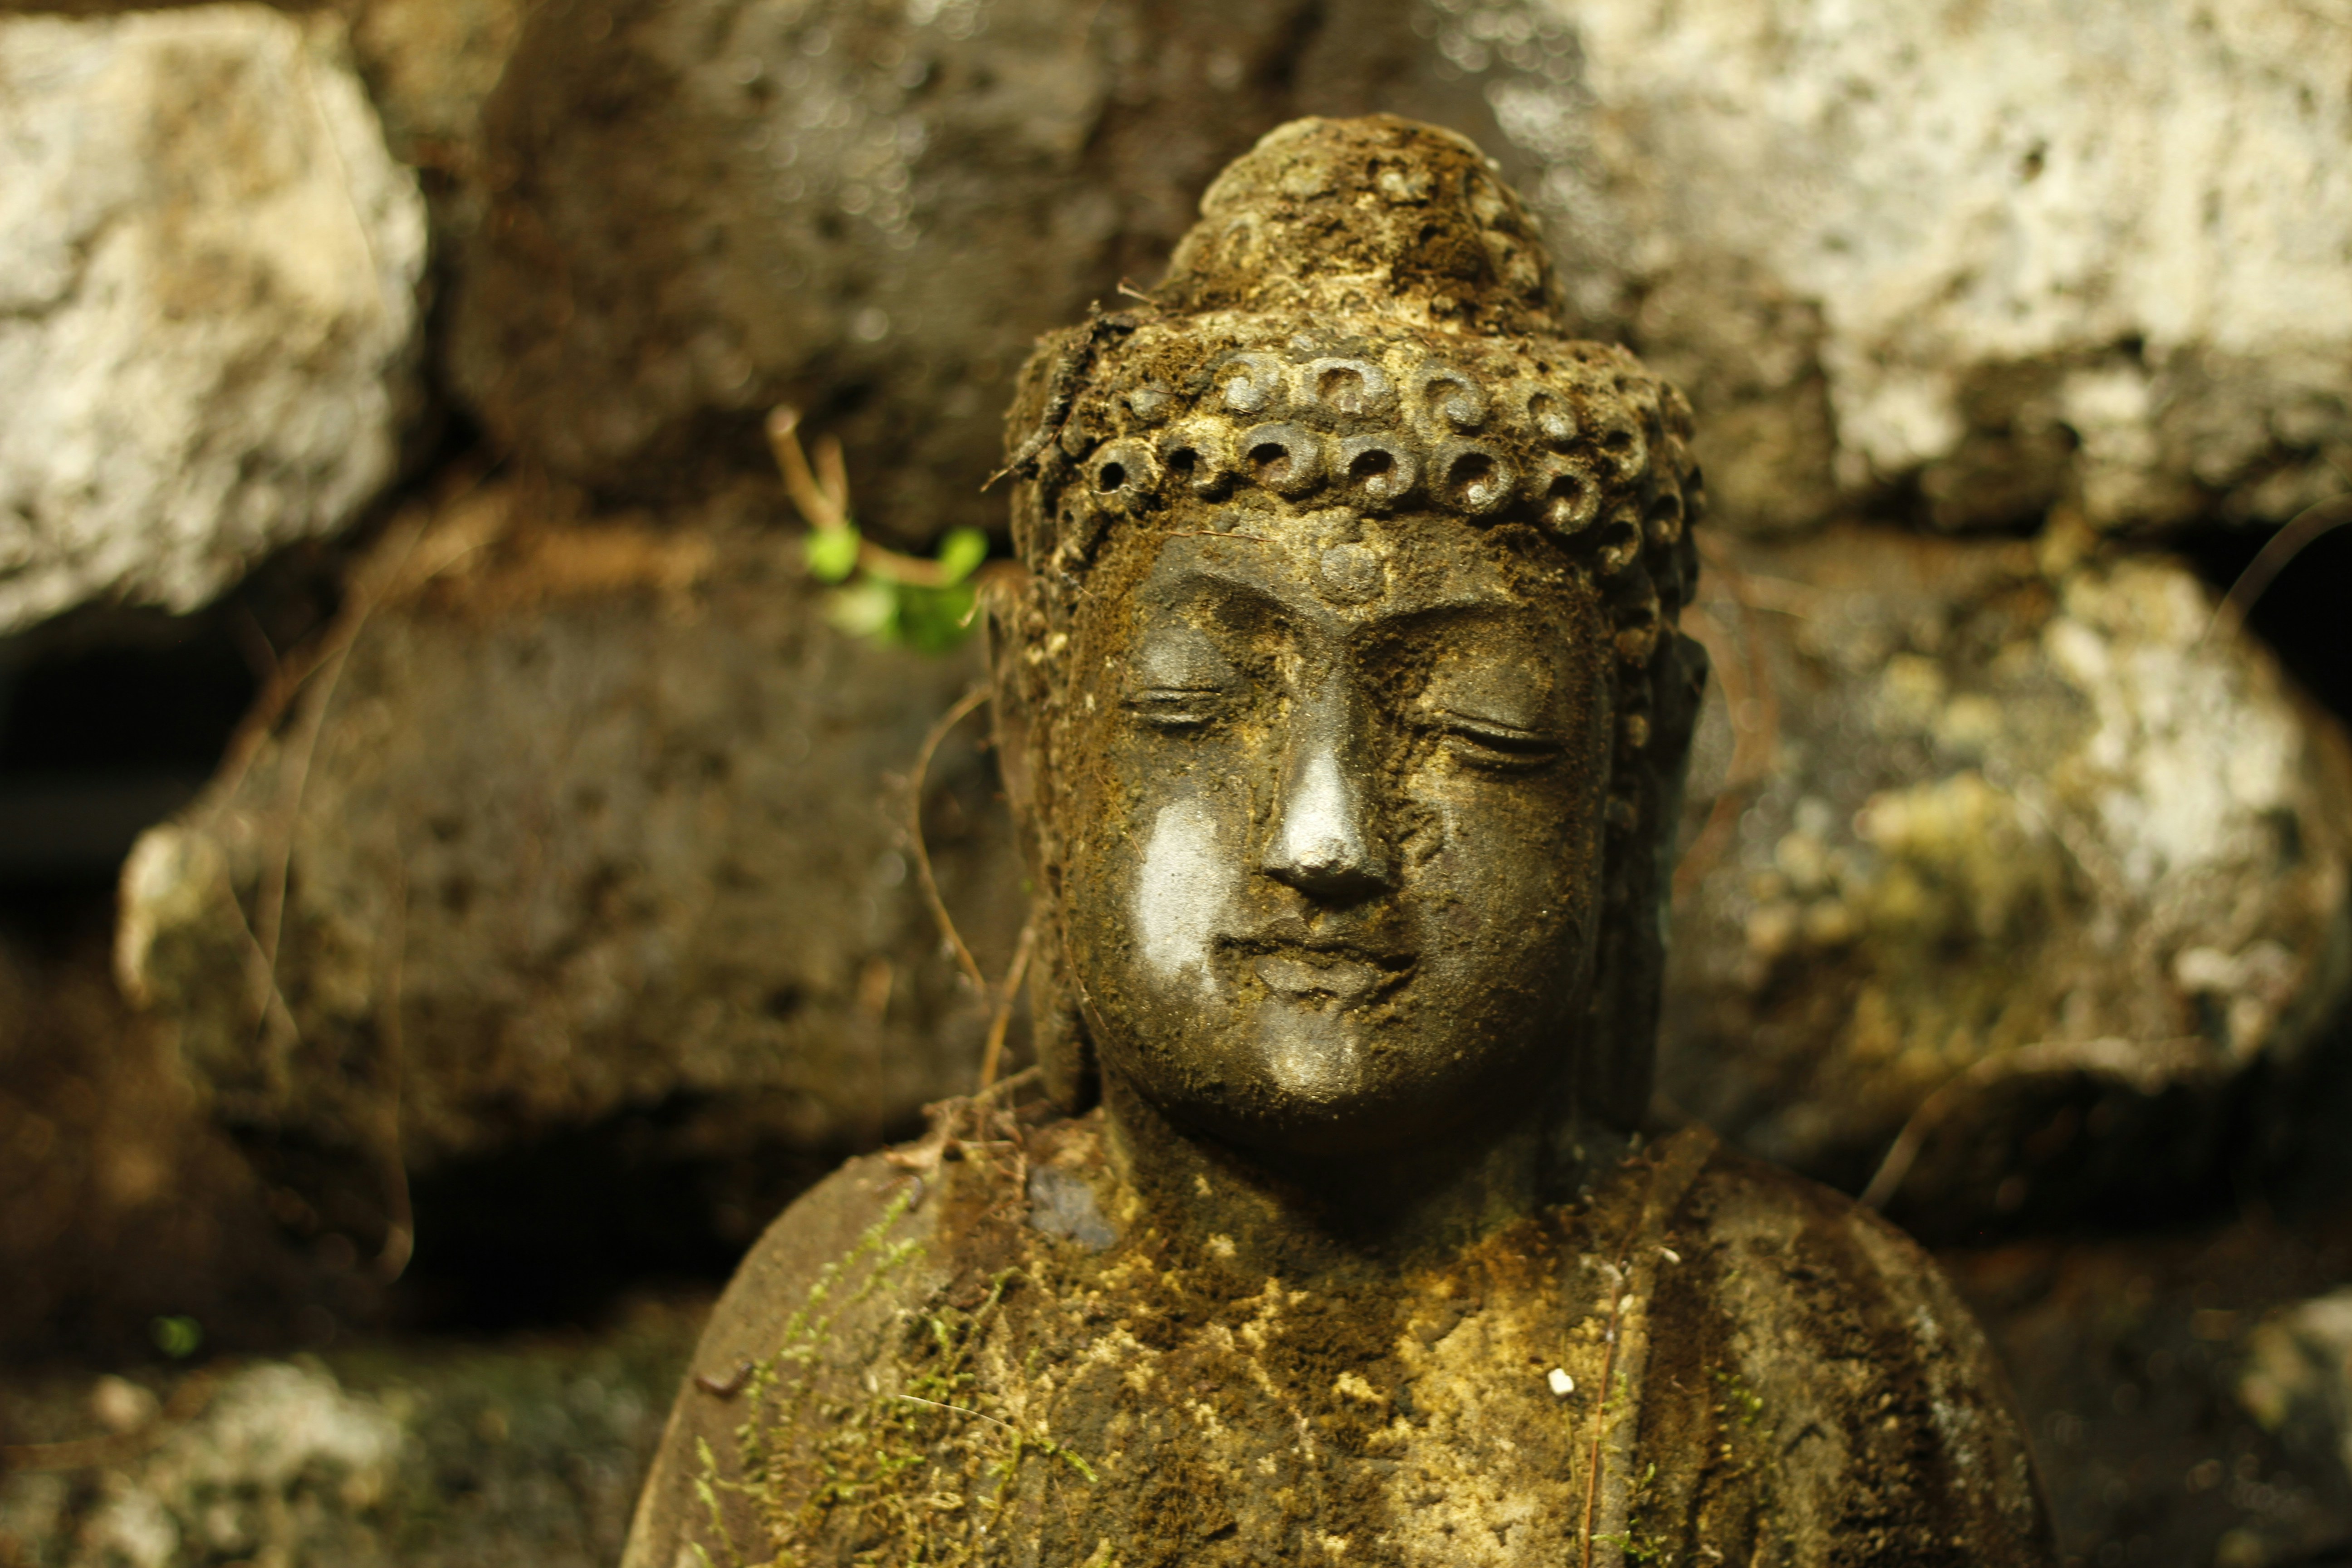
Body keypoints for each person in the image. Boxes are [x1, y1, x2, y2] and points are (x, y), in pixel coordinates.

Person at [623, 114, 2053, 1568]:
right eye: (1196, 706)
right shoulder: (855, 1334)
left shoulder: (1819, 1352)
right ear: (1042, 744)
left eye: (1476, 731)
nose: (1326, 835)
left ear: (1636, 782)